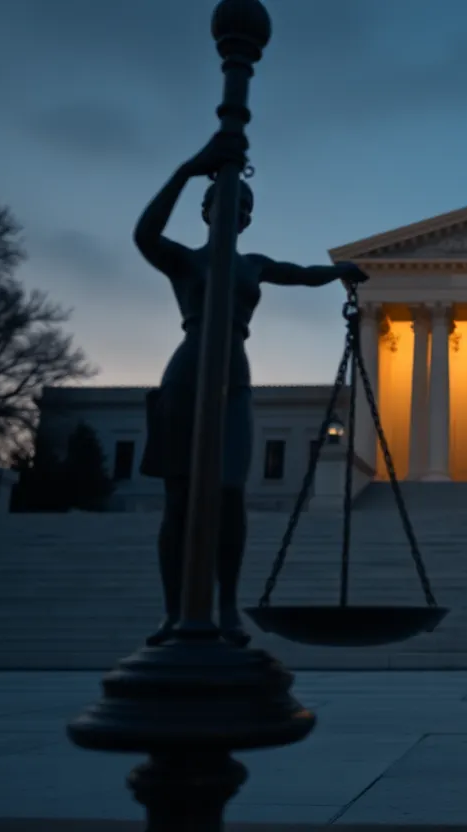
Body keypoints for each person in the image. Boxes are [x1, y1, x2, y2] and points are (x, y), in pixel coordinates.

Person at [133, 131, 368, 647]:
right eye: (228, 202)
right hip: (188, 371)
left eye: (244, 206)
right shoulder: (185, 261)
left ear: (248, 218)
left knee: (231, 492)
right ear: (207, 210)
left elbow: (302, 274)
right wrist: (188, 170)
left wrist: (341, 273)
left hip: (234, 377)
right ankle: (174, 613)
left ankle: (227, 608)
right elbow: (144, 234)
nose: (236, 212)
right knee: (179, 500)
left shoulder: (252, 265)